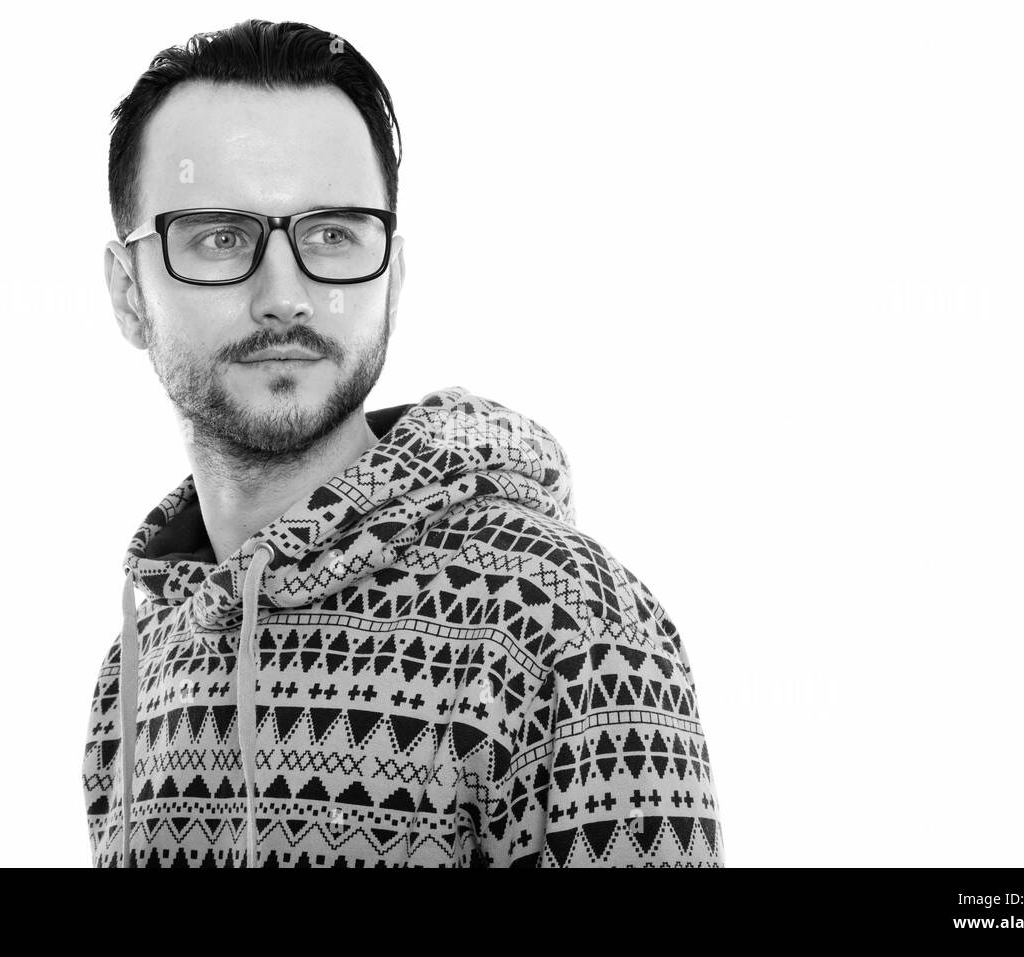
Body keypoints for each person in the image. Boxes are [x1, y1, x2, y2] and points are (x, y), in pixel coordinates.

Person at [84, 18, 724, 867]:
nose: (285, 295)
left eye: (332, 234)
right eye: (221, 237)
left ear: (392, 278)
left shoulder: (572, 632)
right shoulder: (129, 677)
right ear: (129, 294)